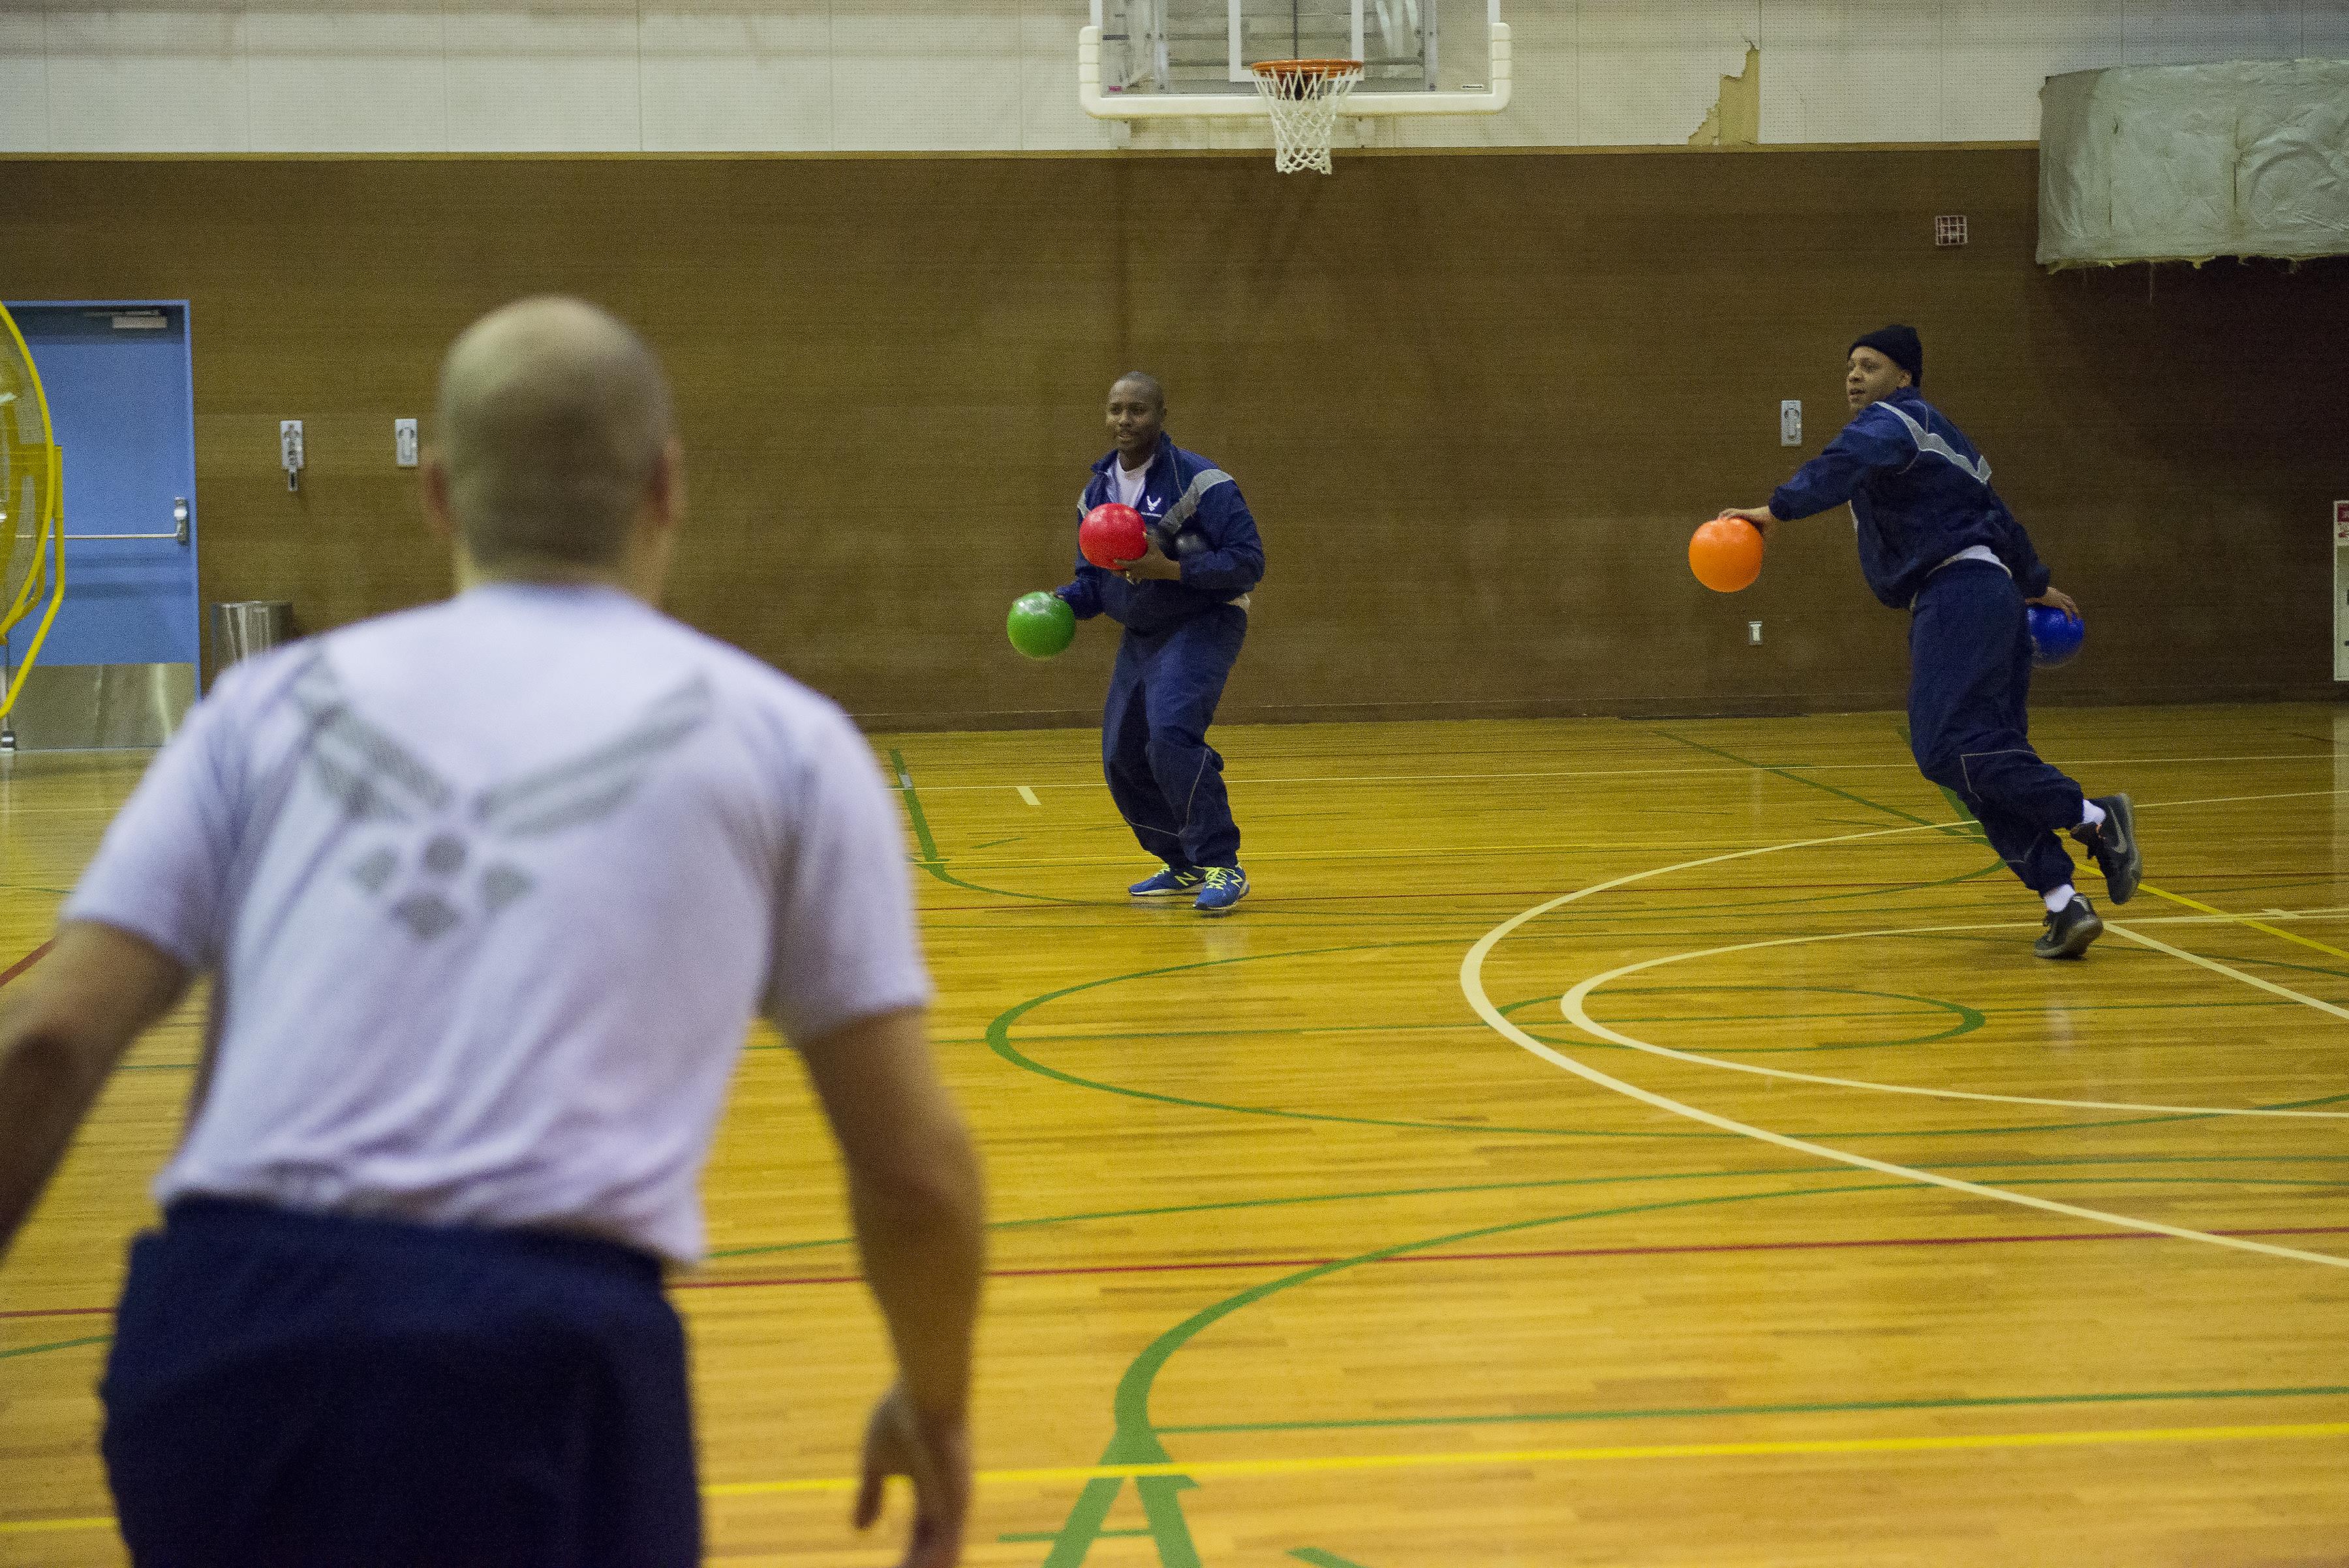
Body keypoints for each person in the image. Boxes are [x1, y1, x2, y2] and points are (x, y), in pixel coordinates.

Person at [0, 298, 985, 1567]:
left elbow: (45, 1041)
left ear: (436, 492)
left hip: (217, 1335)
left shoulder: (266, 708)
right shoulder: (782, 742)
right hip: (527, 1347)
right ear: (668, 486)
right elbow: (914, 1173)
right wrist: (935, 1402)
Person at [1718, 324, 2142, 959]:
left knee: (1946, 748)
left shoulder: (1894, 421)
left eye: (1870, 365)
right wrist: (2031, 584)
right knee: (1986, 760)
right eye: (1850, 366)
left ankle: (2095, 818)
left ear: (1905, 377)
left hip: (1957, 593)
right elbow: (1999, 514)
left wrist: (1776, 510)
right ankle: (2064, 902)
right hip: (1987, 593)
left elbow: (1840, 466)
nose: (1854, 375)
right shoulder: (1945, 438)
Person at [1055, 372, 1265, 915]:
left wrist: (1169, 568)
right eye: (1116, 409)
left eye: (1138, 409)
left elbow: (1248, 562)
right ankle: (1182, 861)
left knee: (1170, 735)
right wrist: (1059, 604)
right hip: (1142, 633)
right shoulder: (1095, 494)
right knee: (1122, 758)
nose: (1125, 419)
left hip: (1204, 621)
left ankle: (1222, 863)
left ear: (1161, 416)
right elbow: (1094, 581)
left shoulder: (1202, 481)